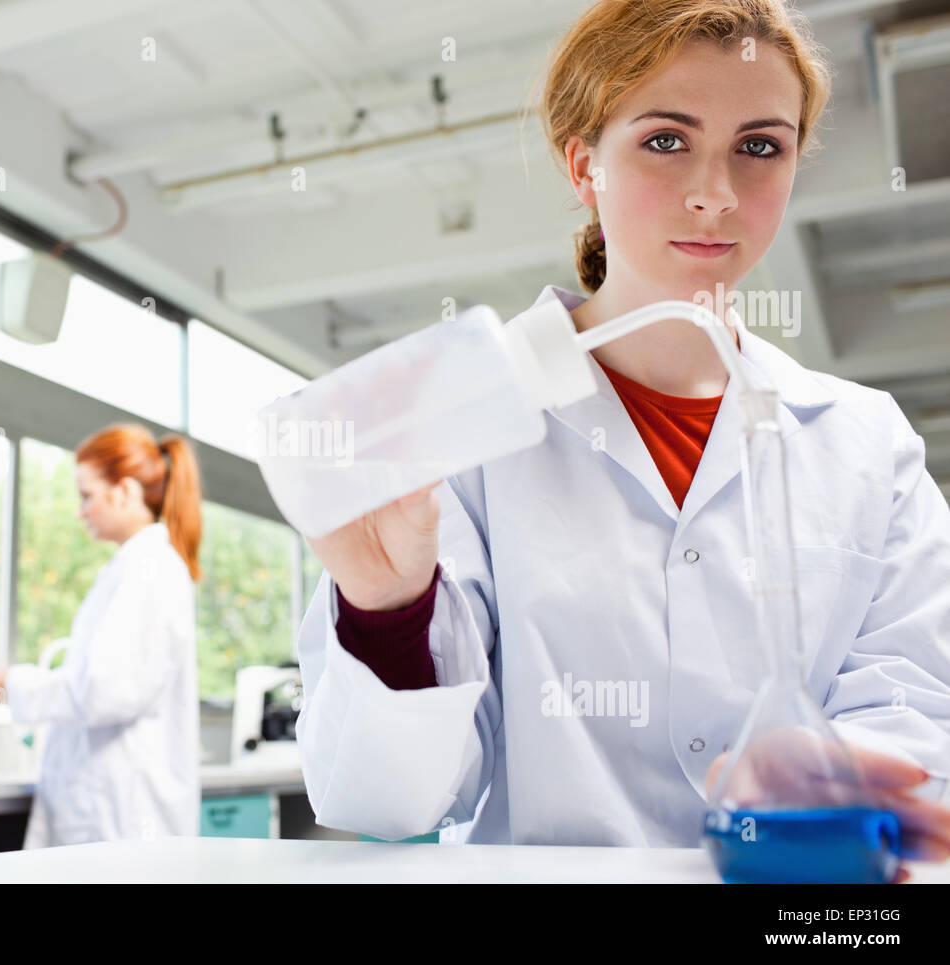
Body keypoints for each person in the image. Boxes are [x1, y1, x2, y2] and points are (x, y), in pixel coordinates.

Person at [294, 0, 950, 879]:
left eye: (761, 145)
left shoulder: (868, 444)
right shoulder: (466, 430)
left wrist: (834, 775)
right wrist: (387, 608)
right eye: (666, 140)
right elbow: (387, 803)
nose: (716, 190)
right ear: (583, 165)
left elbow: (916, 711)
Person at [0, 424, 203, 847]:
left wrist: (15, 683)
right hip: (110, 810)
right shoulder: (132, 569)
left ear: (124, 491)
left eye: (87, 496)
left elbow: (103, 692)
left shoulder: (148, 570)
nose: (81, 511)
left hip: (124, 818)